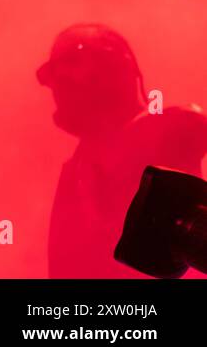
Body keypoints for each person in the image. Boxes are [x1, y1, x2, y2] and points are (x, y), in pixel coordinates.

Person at [38, 23, 207, 277]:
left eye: (73, 62)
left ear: (115, 64)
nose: (60, 81)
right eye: (55, 74)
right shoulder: (76, 168)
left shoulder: (170, 126)